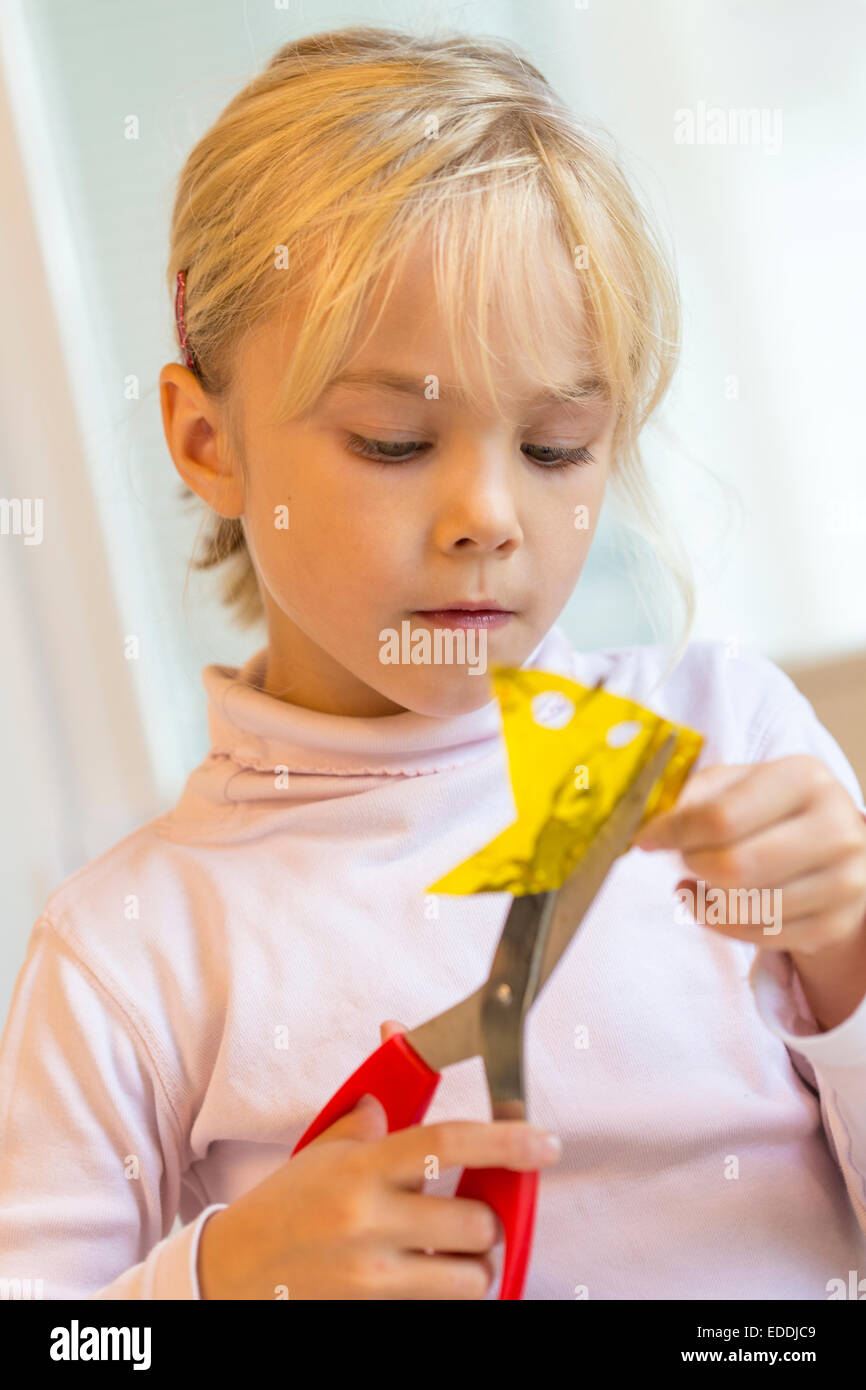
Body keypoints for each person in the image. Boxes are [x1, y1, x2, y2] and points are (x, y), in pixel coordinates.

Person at [1, 26, 865, 1302]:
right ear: (206, 442)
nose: (487, 516)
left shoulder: (728, 740)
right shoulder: (129, 950)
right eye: (395, 441)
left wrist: (846, 958)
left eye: (558, 448)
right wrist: (216, 1280)